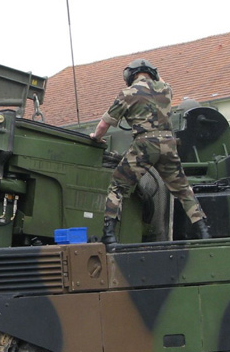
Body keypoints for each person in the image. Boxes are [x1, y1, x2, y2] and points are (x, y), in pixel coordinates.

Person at [90, 58, 210, 246]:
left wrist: (96, 137)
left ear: (130, 75)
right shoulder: (166, 89)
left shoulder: (127, 93)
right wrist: (154, 74)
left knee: (117, 186)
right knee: (183, 190)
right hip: (169, 144)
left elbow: (104, 124)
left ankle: (109, 235)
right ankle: (204, 231)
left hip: (145, 144)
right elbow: (161, 81)